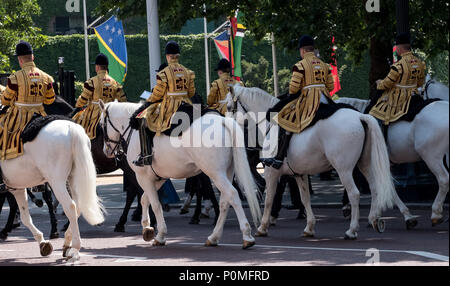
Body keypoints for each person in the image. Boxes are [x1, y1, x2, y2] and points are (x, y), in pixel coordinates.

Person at [261, 35, 334, 169]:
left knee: (283, 116)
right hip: (326, 98)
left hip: (308, 100)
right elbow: (331, 87)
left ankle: (279, 156)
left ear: (303, 51)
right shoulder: (325, 65)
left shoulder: (300, 65)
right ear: (312, 49)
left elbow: (293, 90)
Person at [134, 41, 195, 166]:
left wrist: (147, 103)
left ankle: (146, 156)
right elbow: (191, 92)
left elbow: (157, 95)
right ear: (178, 55)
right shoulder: (188, 72)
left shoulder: (164, 73)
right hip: (188, 105)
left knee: (144, 120)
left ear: (167, 56)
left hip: (171, 108)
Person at [0, 41, 56, 161]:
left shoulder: (15, 78)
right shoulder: (46, 77)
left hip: (19, 117)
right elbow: (50, 100)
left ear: (20, 60)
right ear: (32, 57)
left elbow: (5, 100)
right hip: (40, 114)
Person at [368, 32, 426, 136]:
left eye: (396, 46)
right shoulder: (420, 63)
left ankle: (378, 139)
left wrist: (379, 83)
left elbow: (387, 84)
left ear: (399, 47)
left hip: (399, 98)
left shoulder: (398, 66)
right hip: (415, 95)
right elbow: (420, 82)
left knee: (374, 112)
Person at [72, 53, 127, 139]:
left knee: (75, 123)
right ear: (107, 67)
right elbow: (123, 102)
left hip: (94, 117)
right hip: (110, 115)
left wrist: (77, 104)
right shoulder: (115, 83)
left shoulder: (91, 82)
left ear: (97, 67)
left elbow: (82, 101)